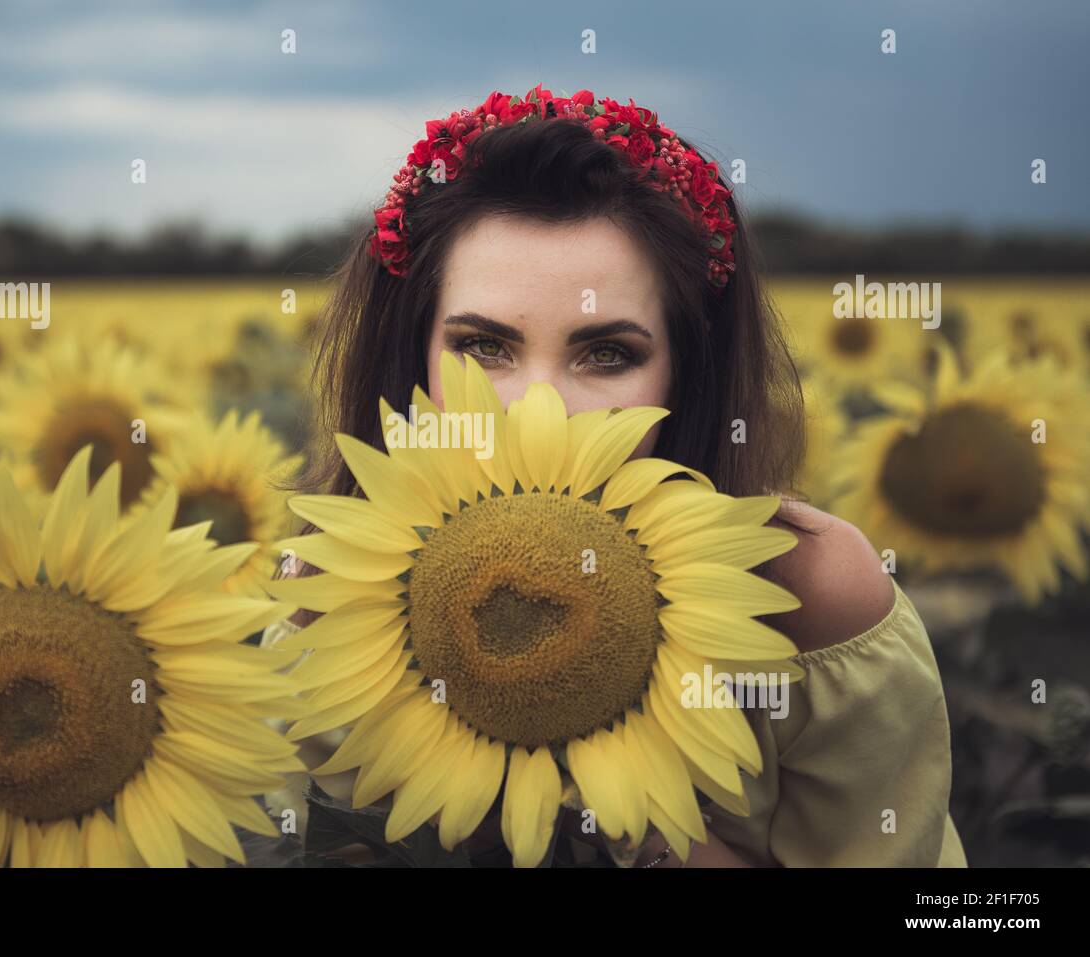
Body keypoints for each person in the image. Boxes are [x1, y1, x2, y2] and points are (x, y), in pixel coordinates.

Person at [267, 85, 967, 867]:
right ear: (415, 356)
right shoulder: (331, 589)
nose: (541, 409)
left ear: (683, 372)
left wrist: (632, 819)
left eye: (607, 354)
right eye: (483, 347)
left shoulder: (809, 592)